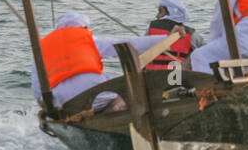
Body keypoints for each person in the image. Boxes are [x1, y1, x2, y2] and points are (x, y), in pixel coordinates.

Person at [31, 12, 184, 112]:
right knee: (124, 92)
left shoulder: (42, 47)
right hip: (94, 96)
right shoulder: (88, 39)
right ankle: (115, 113)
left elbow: (38, 89)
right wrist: (166, 39)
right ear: (83, 27)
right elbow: (130, 44)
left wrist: (48, 107)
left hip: (63, 104)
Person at [145, 0, 195, 71]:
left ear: (163, 10)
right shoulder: (192, 34)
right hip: (178, 78)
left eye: (159, 11)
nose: (157, 16)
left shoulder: (151, 28)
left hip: (152, 76)